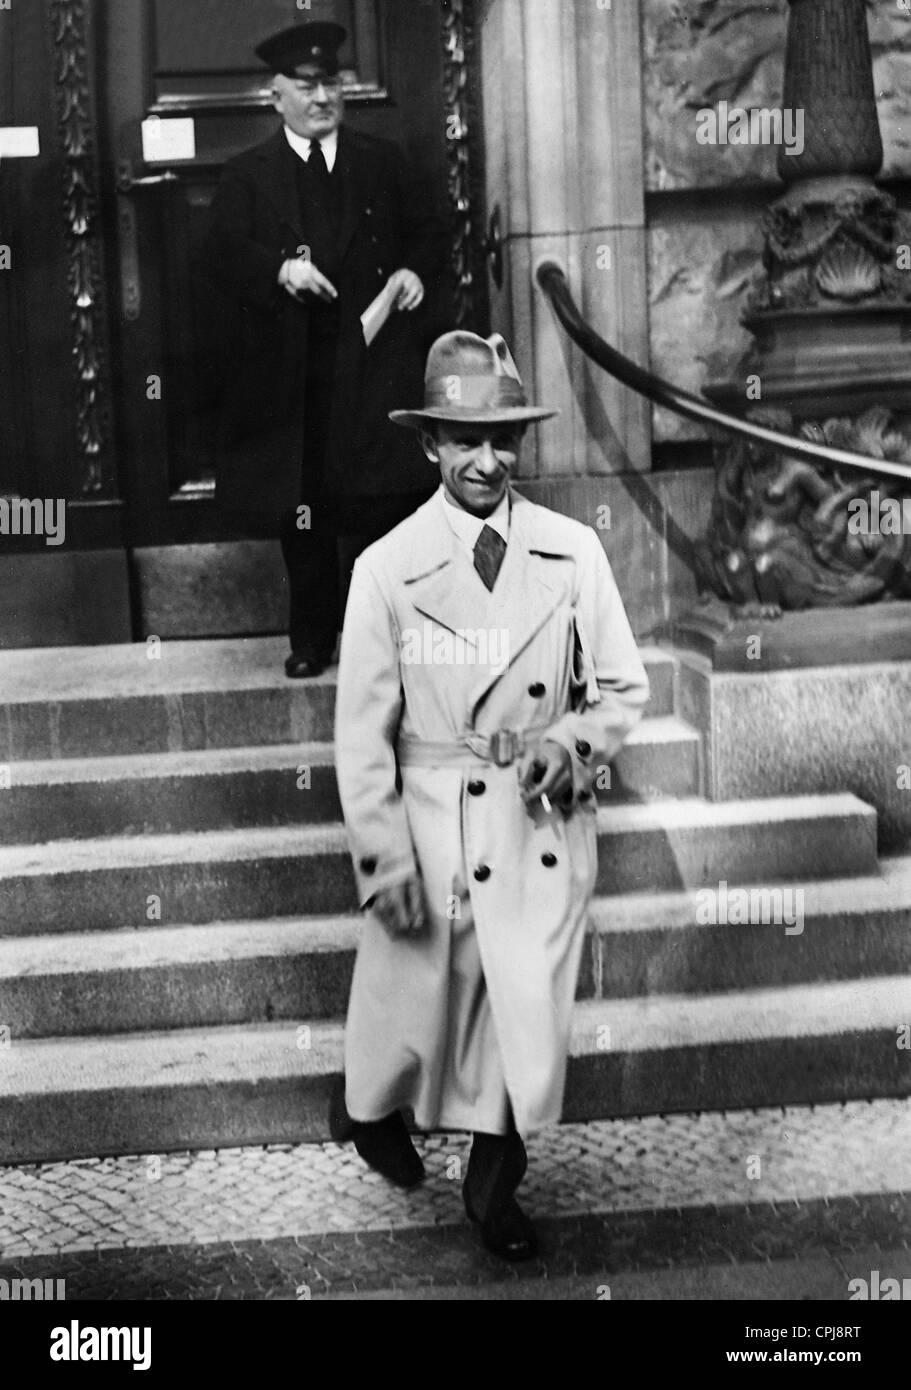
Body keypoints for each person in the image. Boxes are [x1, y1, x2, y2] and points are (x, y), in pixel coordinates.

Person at [330, 330, 650, 1260]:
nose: (486, 460)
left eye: (503, 438)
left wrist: (572, 741)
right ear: (428, 445)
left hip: (537, 823)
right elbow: (361, 738)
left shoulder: (571, 553)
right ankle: (370, 1111)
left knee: (523, 1013)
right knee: (420, 1007)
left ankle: (493, 1184)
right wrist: (382, 856)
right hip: (433, 824)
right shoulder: (385, 570)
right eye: (464, 439)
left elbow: (623, 688)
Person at [201, 22, 445, 677]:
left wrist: (414, 271)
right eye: (305, 87)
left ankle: (388, 637)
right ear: (274, 96)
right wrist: (280, 270)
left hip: (375, 360)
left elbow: (431, 234)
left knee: (384, 503)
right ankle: (311, 640)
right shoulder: (247, 176)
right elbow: (221, 256)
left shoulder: (382, 161)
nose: (320, 97)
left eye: (330, 84)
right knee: (304, 509)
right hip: (296, 371)